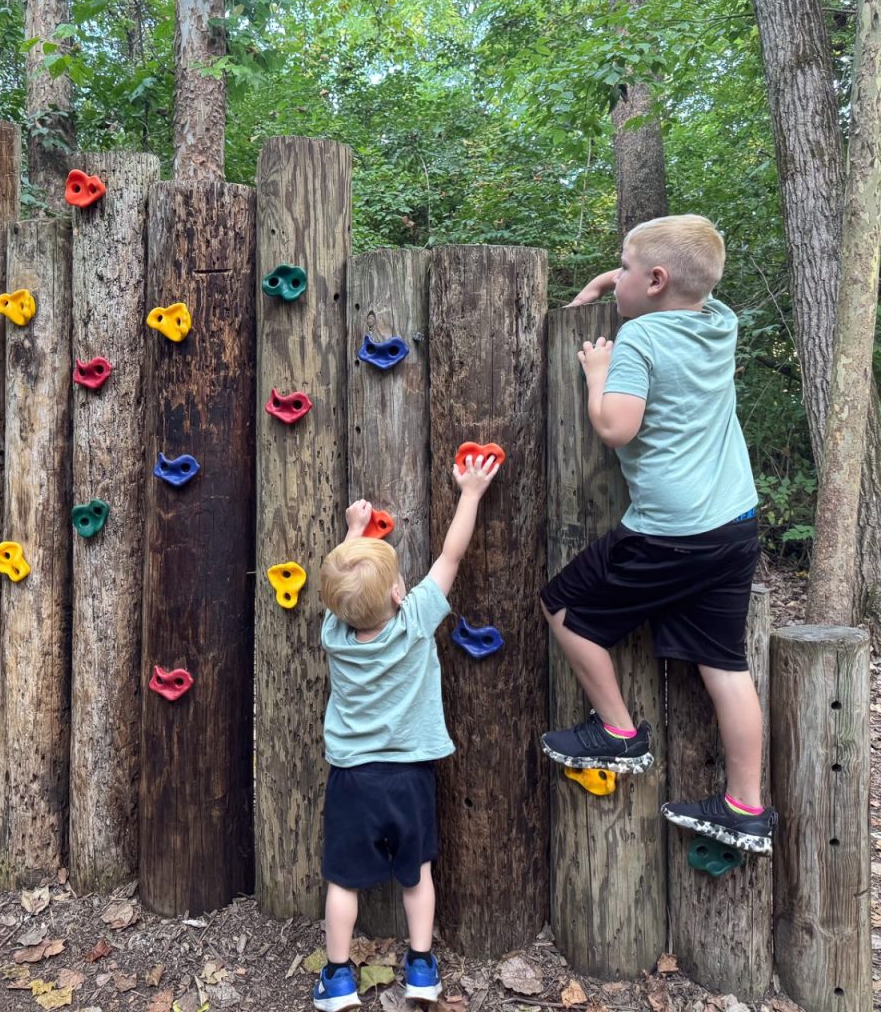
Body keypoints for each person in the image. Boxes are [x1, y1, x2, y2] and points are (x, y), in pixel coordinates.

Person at [539, 213, 777, 854]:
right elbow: (685, 283)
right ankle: (745, 807)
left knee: (562, 605)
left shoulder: (639, 342)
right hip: (734, 524)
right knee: (725, 664)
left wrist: (596, 374)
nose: (614, 273)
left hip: (670, 530)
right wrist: (605, 287)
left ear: (655, 280)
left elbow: (618, 427)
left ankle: (619, 732)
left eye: (623, 265)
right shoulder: (718, 323)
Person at [311, 454, 500, 1011]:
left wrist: (353, 533)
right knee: (417, 874)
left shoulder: (334, 633)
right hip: (409, 776)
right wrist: (470, 493)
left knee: (343, 880)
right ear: (399, 594)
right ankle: (421, 968)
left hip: (352, 778)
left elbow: (344, 588)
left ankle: (340, 977)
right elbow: (451, 555)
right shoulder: (416, 621)